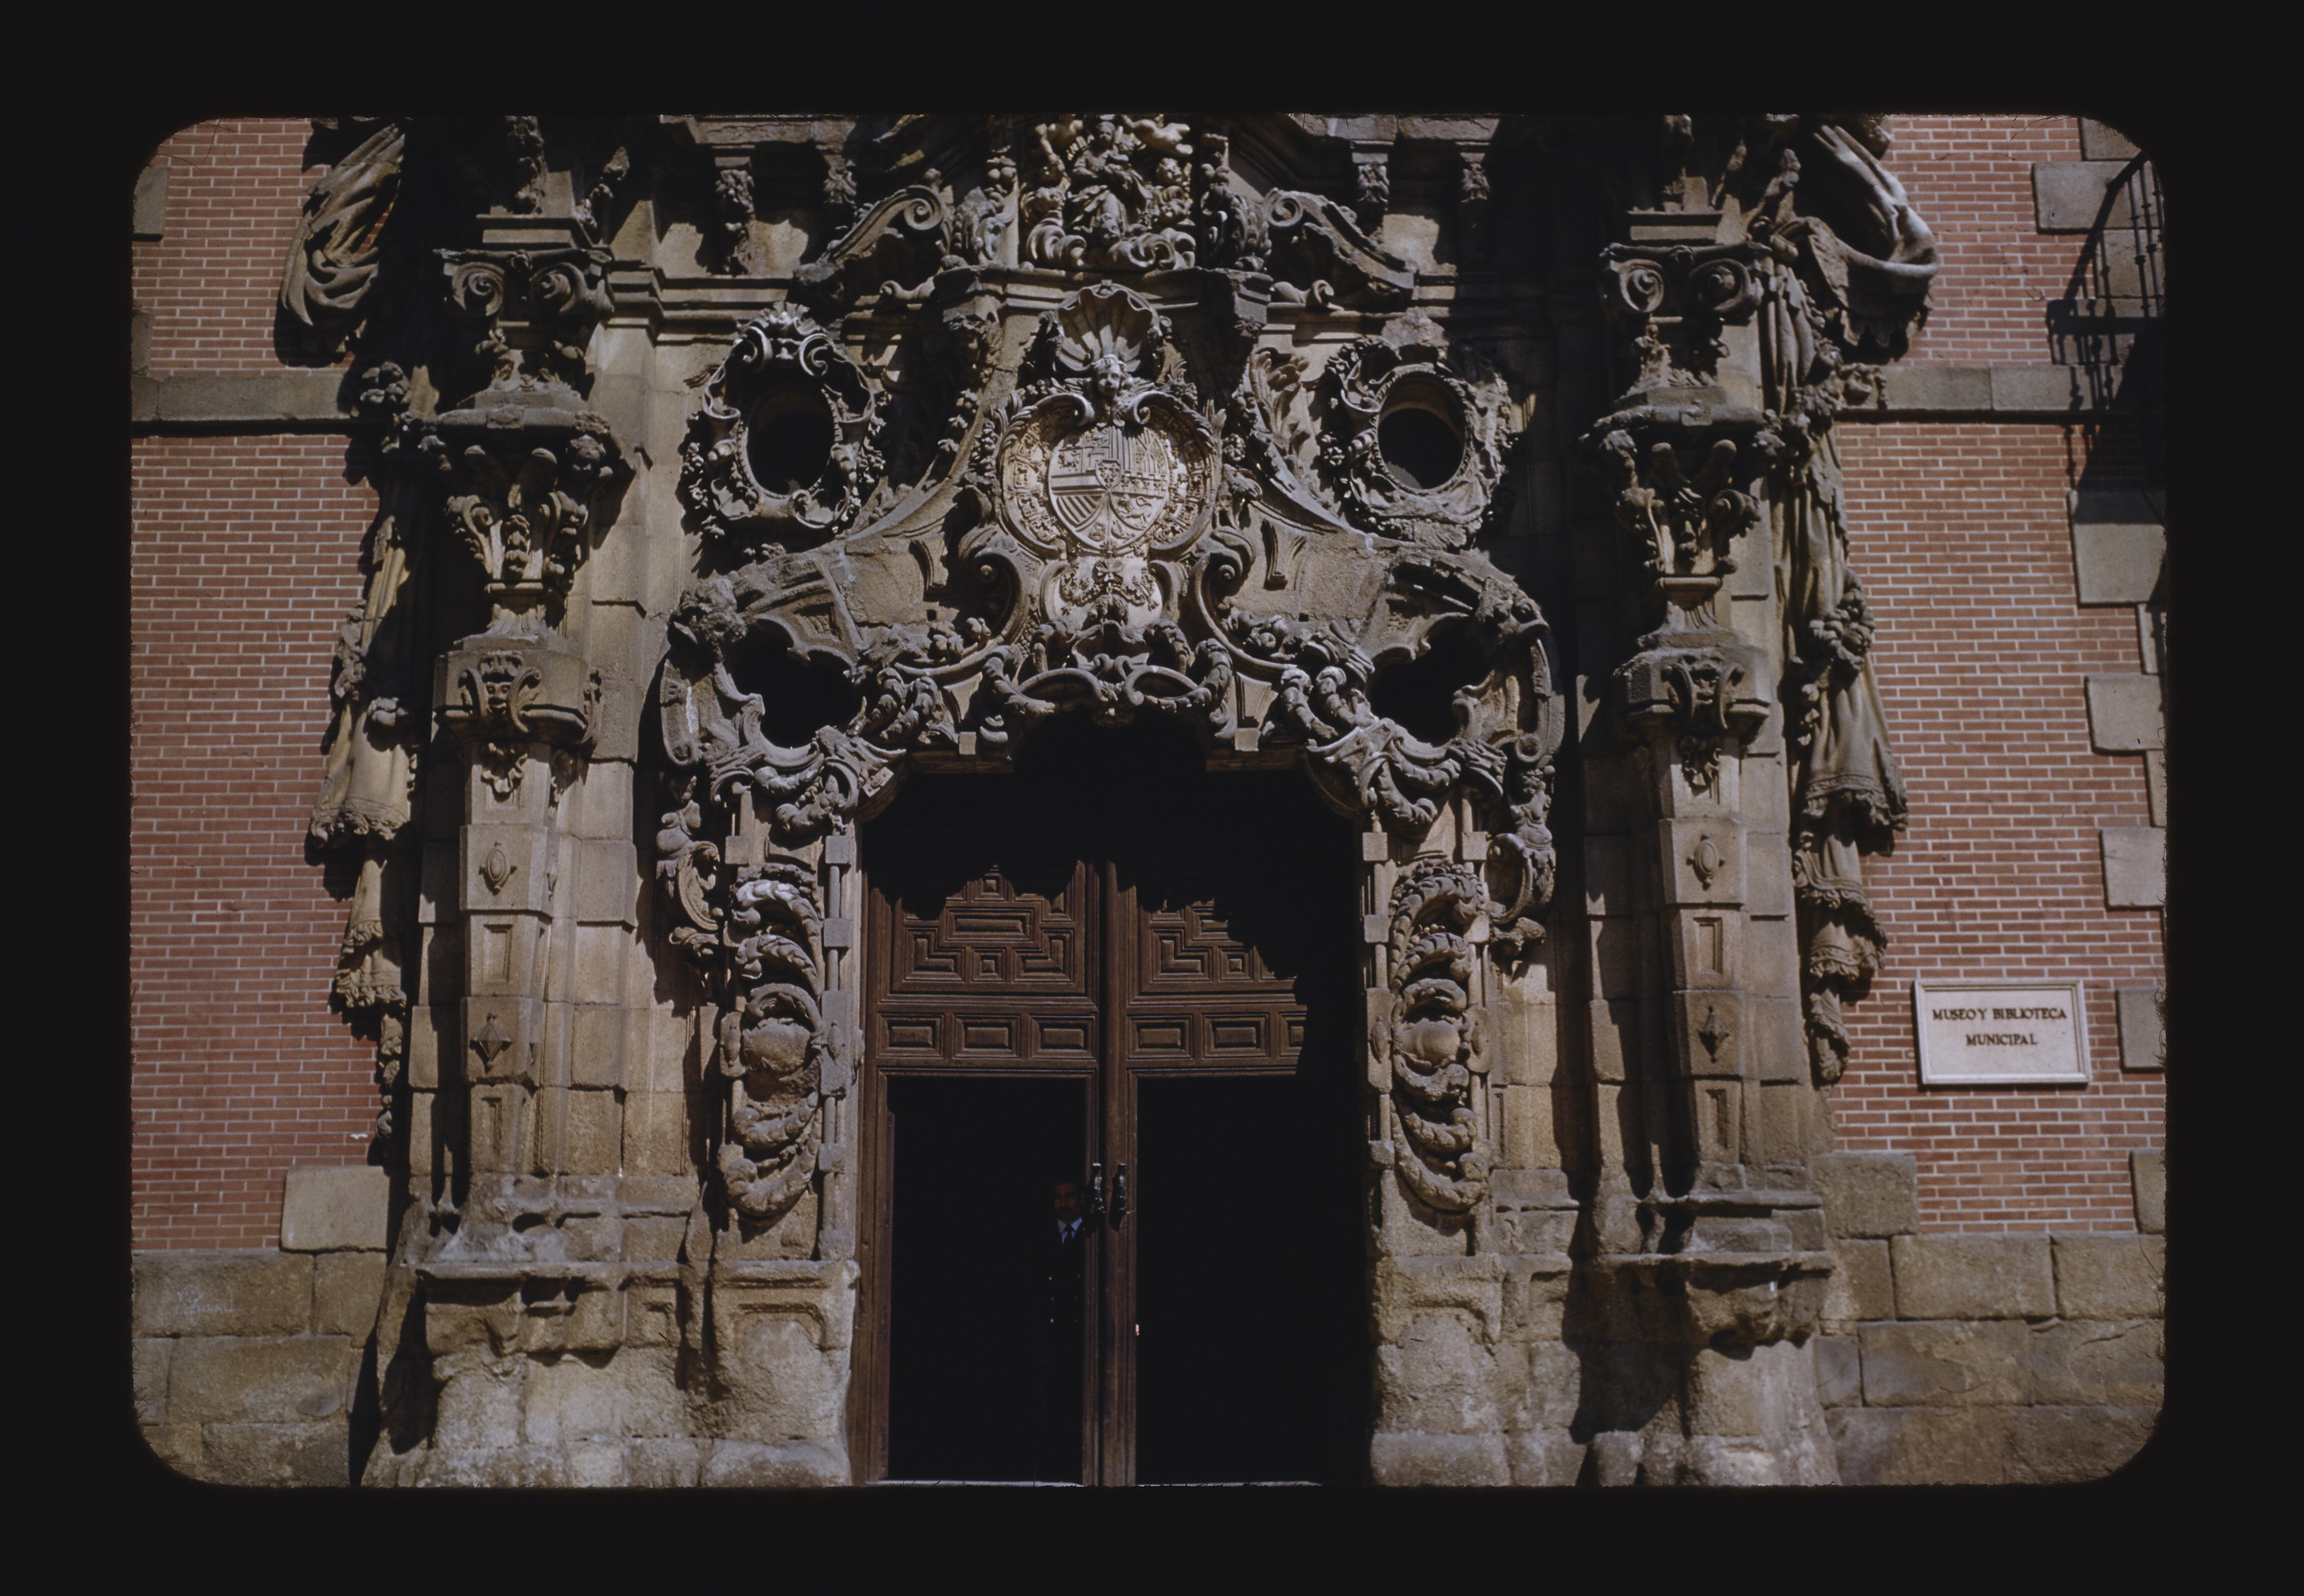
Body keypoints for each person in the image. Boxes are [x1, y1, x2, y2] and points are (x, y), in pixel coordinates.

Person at [1031, 1177, 1094, 1480]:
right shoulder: (1040, 1236)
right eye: (1058, 1198)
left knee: (1079, 1408)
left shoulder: (1095, 1234)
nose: (1064, 1203)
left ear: (1081, 1199)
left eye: (1070, 1197)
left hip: (1083, 1338)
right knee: (1048, 1410)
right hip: (1048, 1339)